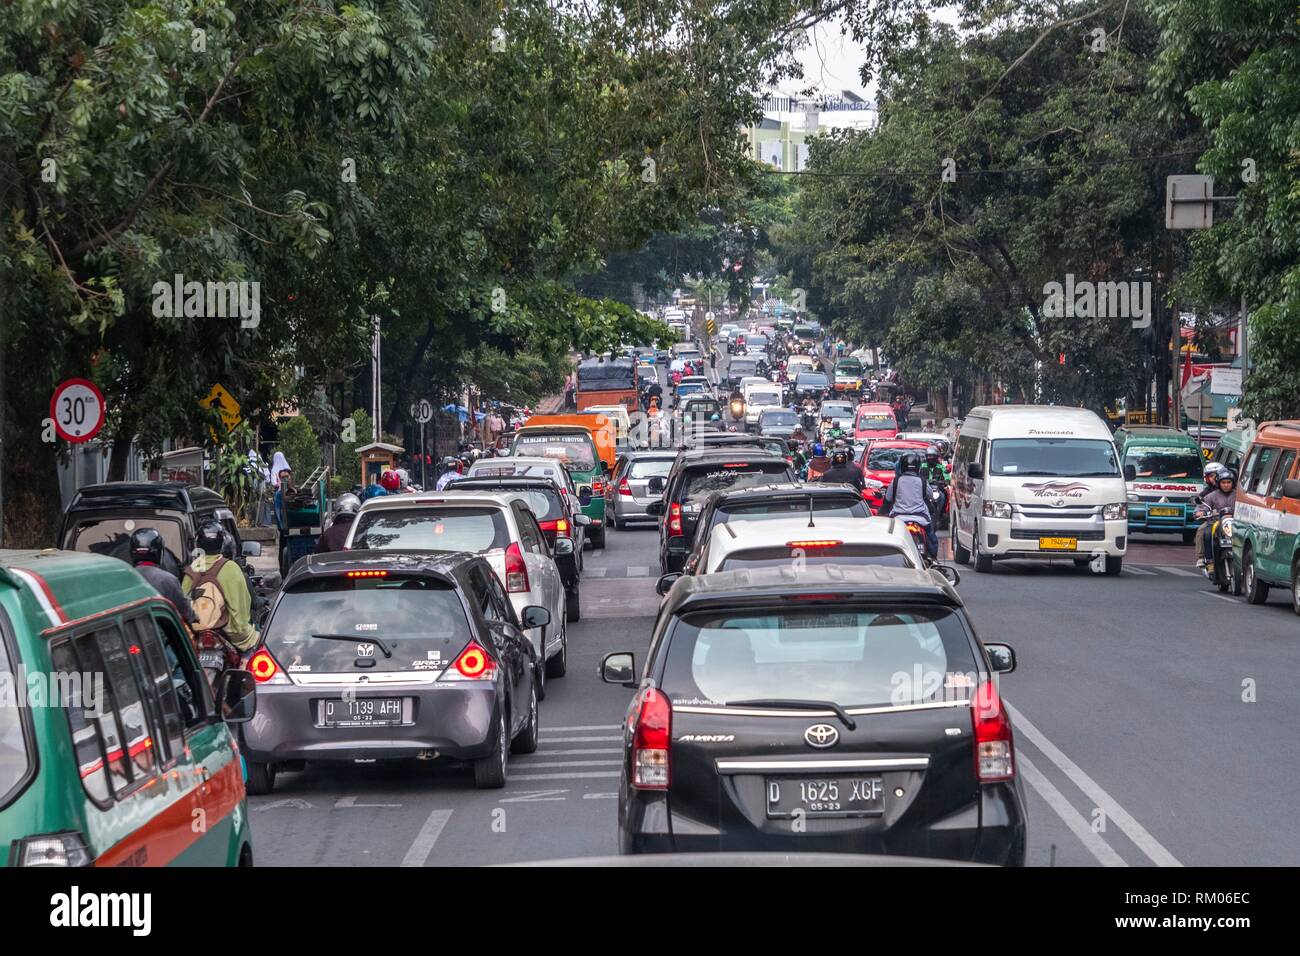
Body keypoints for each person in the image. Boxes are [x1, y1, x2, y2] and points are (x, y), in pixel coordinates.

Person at [182, 521, 258, 652]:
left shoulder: (192, 568)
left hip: (195, 632)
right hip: (231, 634)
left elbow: (183, 602)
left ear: (198, 543)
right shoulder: (231, 568)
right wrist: (239, 630)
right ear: (222, 543)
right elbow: (241, 608)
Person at [129, 528, 196, 624]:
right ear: (159, 551)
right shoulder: (168, 579)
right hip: (162, 636)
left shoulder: (124, 579)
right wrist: (193, 616)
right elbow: (184, 612)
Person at [883, 452, 938, 559]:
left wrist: (882, 512)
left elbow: (888, 499)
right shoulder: (922, 481)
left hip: (898, 519)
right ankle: (934, 560)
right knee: (932, 539)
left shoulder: (896, 481)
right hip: (921, 518)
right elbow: (931, 495)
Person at [1196, 470, 1237, 569]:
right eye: (1223, 483)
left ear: (1233, 483)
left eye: (1228, 482)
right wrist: (1200, 512)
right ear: (1219, 483)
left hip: (1235, 523)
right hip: (1215, 522)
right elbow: (1202, 506)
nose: (1226, 485)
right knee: (1204, 532)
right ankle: (1207, 560)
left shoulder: (1239, 495)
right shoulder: (1211, 495)